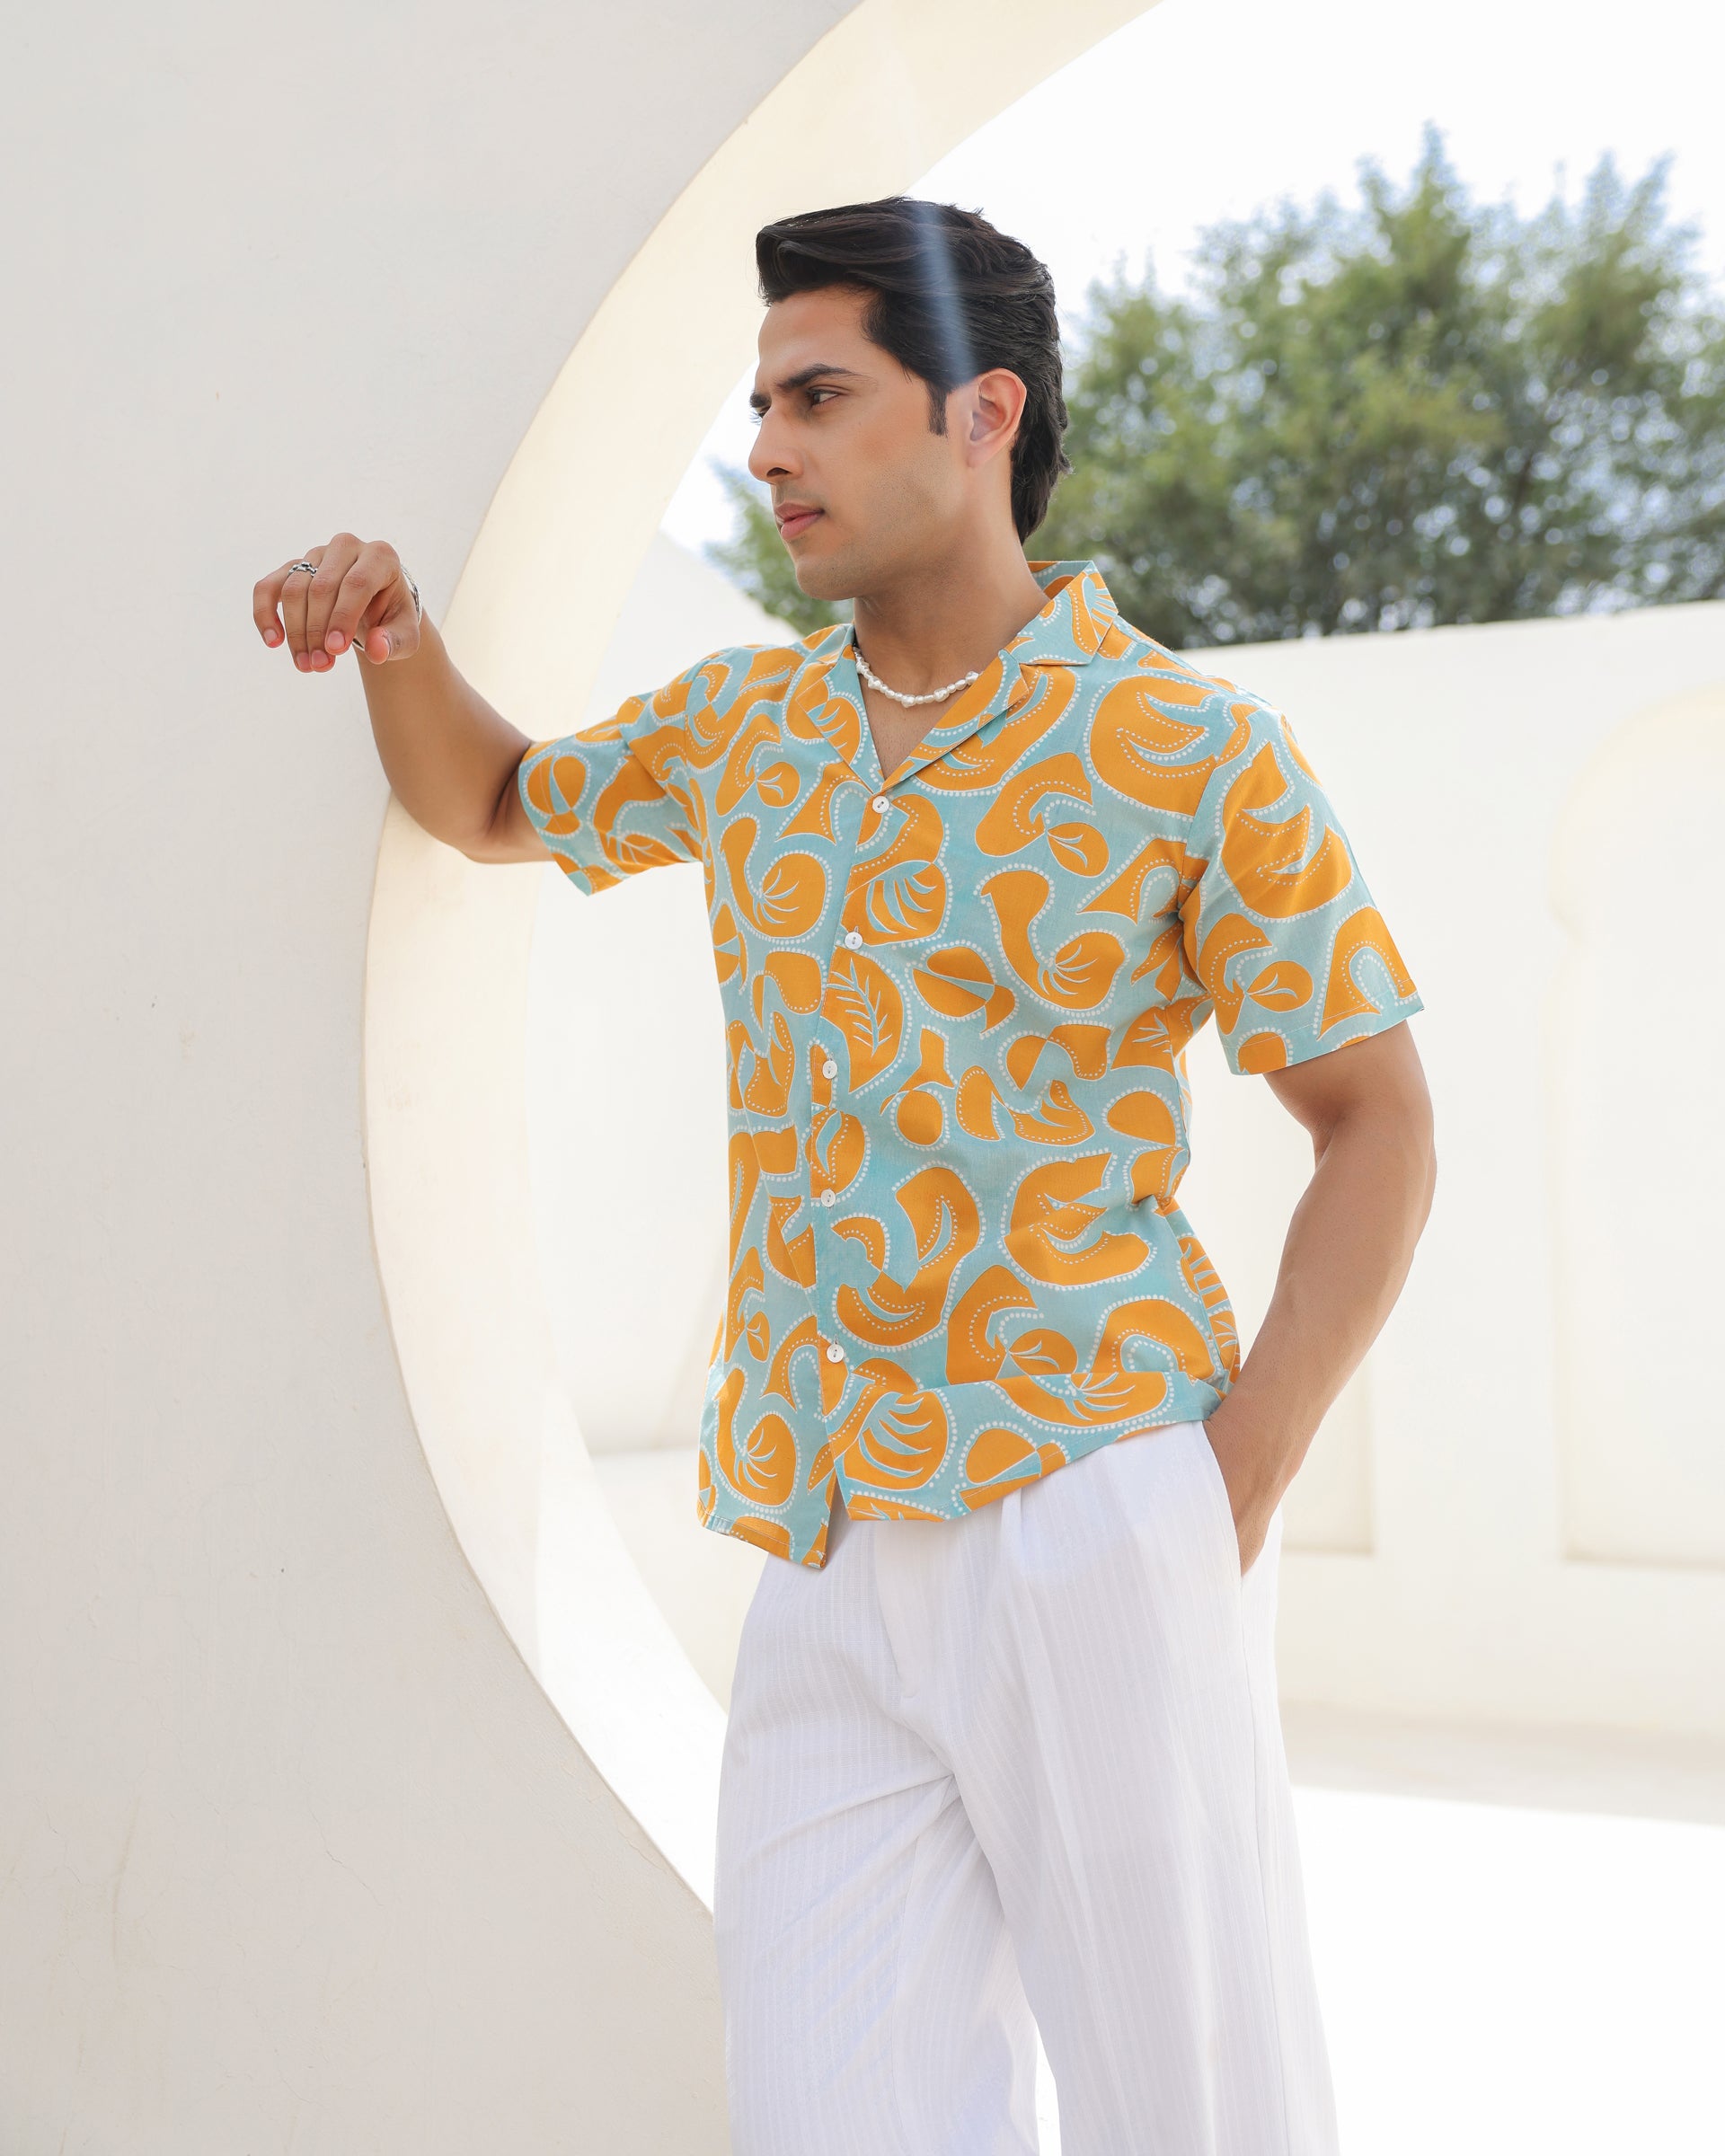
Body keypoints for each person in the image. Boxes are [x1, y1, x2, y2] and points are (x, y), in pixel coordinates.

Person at [253, 195, 1435, 2155]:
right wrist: (396, 632)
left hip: (1096, 1503)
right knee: (832, 2112)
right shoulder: (749, 730)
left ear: (983, 412)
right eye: (760, 404)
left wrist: (1226, 1480)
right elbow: (487, 796)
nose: (768, 448)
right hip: (820, 1546)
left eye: (818, 396)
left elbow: (1376, 1118)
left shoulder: (1188, 745)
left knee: (1195, 2110)